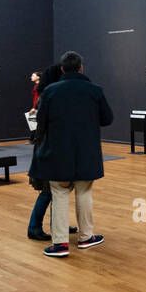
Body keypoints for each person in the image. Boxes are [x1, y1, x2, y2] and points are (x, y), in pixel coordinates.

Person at [31, 51, 113, 253]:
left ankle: (60, 243)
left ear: (61, 69)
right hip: (86, 152)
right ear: (81, 68)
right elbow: (107, 119)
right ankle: (86, 237)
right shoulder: (95, 90)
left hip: (57, 152)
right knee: (84, 192)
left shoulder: (50, 91)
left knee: (58, 193)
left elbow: (41, 122)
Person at [27, 62, 63, 240]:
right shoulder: (48, 97)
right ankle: (34, 227)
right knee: (48, 190)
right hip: (47, 147)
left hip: (46, 146)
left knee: (55, 190)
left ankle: (58, 224)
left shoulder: (46, 96)